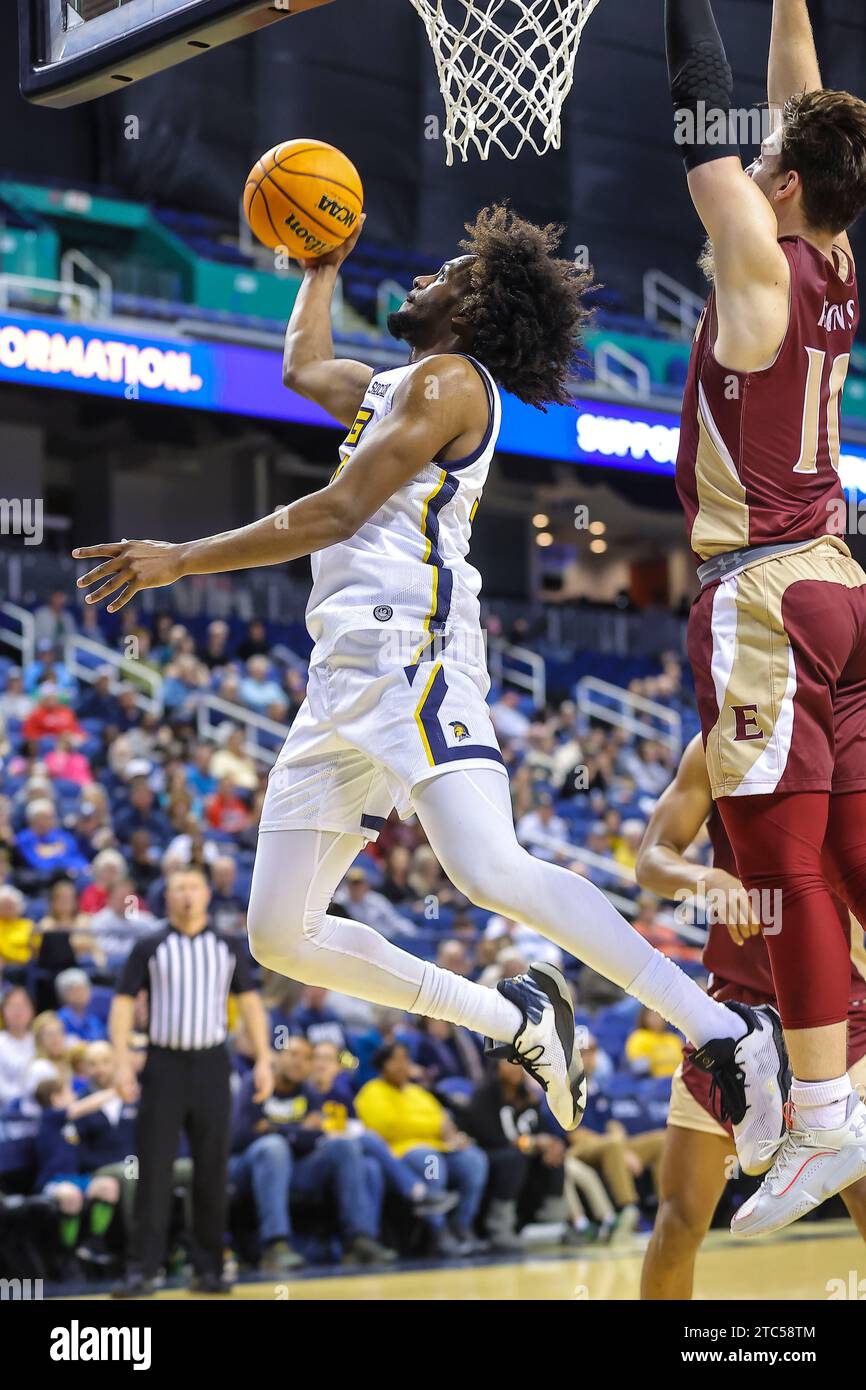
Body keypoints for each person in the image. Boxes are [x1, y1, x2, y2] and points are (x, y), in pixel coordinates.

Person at [73, 205, 787, 1145]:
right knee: (280, 933)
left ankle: (723, 1030)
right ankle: (517, 1021)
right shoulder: (400, 385)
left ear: (475, 302)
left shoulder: (450, 382)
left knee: (489, 868)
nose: (418, 279)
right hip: (341, 673)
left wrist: (183, 558)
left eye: (444, 270)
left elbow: (334, 513)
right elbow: (299, 364)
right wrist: (320, 261)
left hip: (413, 650)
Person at [665, 0, 866, 1233]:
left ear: (779, 185)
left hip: (763, 591)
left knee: (778, 865)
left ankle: (821, 1116)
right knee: (844, 857)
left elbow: (698, 107)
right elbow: (788, 100)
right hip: (839, 579)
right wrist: (790, 4)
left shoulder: (756, 261)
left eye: (759, 166)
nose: (746, 167)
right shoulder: (841, 256)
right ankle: (831, 1096)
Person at [636, 733, 866, 1299]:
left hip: (844, 1016)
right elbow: (651, 858)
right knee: (680, 1221)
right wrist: (704, 879)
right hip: (734, 1020)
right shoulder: (718, 744)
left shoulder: (849, 742)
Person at [109, 865, 273, 1297]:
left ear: (205, 894)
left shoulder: (229, 946)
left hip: (213, 1066)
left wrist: (264, 1061)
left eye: (193, 887)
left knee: (212, 1170)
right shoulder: (148, 945)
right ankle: (143, 1270)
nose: (186, 895)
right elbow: (123, 1004)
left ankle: (210, 1267)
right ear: (167, 896)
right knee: (155, 1169)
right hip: (163, 1066)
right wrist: (122, 1060)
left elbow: (252, 1004)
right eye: (178, 887)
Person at [230, 1038, 396, 1270]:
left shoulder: (308, 1091)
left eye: (306, 1058)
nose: (299, 1062)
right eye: (293, 1054)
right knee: (273, 1148)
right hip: (248, 1167)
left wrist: (274, 1128)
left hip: (293, 1168)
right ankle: (275, 1245)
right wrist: (294, 1132)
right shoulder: (255, 1084)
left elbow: (316, 1138)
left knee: (343, 1146)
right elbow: (238, 1138)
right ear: (277, 1057)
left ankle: (358, 1239)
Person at [355, 1041, 488, 1256]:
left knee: (474, 1159)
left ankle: (462, 1226)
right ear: (382, 1064)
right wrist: (434, 1127)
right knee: (431, 1160)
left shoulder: (418, 1092)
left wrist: (454, 1136)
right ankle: (439, 1232)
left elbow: (444, 1120)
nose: (402, 1065)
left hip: (438, 1147)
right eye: (395, 1060)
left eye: (405, 1059)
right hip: (402, 1153)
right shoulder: (371, 1092)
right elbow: (389, 1127)